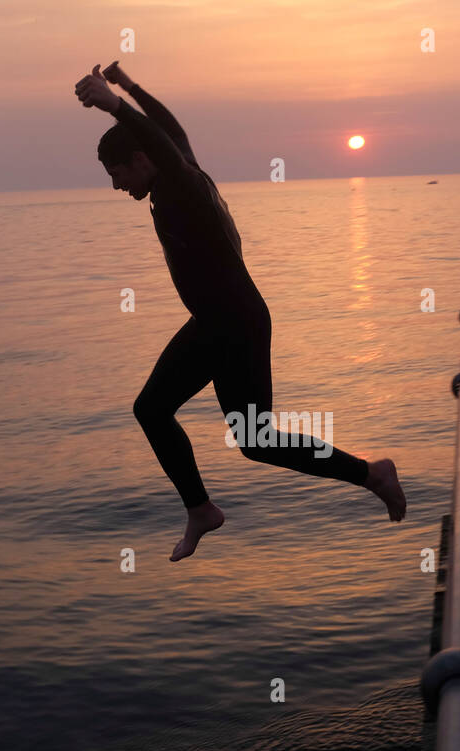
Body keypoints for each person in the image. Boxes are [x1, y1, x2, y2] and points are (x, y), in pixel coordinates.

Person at [75, 62, 406, 561]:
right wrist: (130, 85)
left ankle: (200, 509)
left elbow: (164, 141)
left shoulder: (182, 185)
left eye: (116, 172)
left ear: (141, 160)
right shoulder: (183, 173)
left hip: (227, 322)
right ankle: (370, 473)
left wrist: (116, 104)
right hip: (233, 320)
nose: (116, 184)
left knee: (152, 409)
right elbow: (175, 131)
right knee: (258, 440)